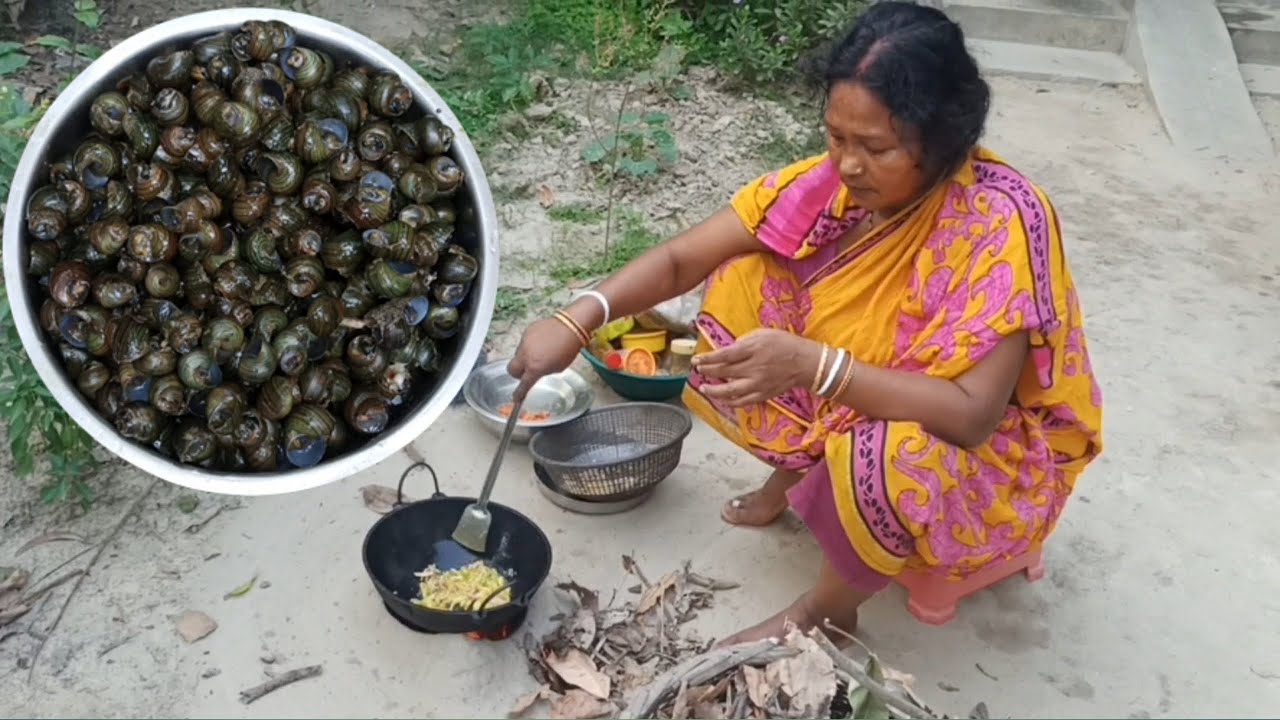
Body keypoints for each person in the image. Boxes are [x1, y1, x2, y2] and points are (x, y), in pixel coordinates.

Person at [507, 0, 1103, 646]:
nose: (847, 165)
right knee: (746, 278)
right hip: (868, 394)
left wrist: (812, 365)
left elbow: (970, 416)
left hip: (989, 454)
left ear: (944, 137)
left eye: (875, 147)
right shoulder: (831, 188)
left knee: (893, 453)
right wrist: (576, 318)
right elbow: (686, 258)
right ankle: (796, 472)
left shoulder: (1002, 222)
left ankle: (828, 611)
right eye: (835, 137)